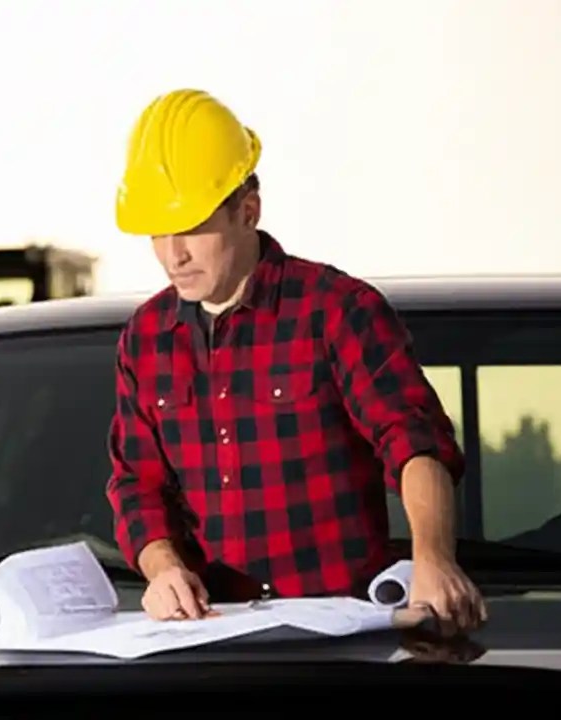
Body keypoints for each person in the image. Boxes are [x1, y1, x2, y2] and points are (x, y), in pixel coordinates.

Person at [104, 88, 486, 635]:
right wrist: (162, 569)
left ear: (248, 211)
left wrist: (434, 560)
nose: (173, 254)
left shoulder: (337, 311)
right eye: (158, 233)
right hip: (205, 642)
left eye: (190, 228)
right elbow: (136, 482)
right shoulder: (145, 339)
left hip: (345, 646)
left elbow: (412, 440)